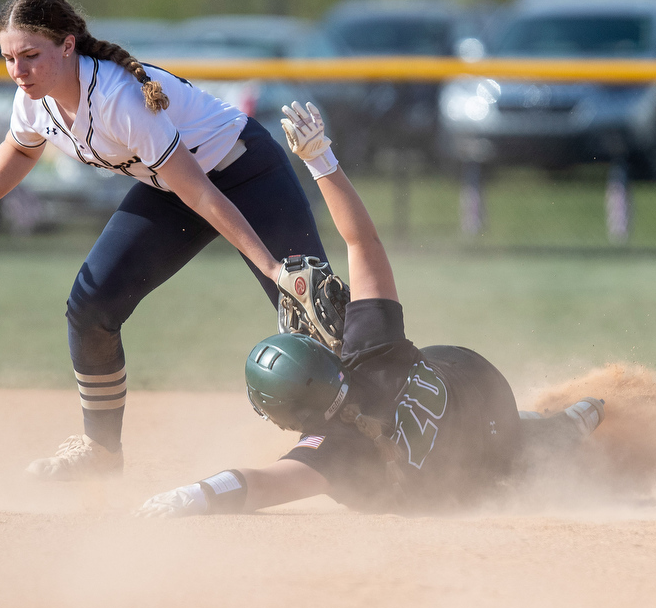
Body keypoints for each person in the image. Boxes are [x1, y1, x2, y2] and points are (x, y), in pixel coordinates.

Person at [137, 103, 605, 517]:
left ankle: (563, 425)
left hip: (479, 455)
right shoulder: (370, 348)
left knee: (516, 466)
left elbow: (260, 485)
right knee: (510, 436)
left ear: (287, 417)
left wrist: (197, 495)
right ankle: (571, 418)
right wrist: (322, 160)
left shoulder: (330, 453)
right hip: (473, 377)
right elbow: (363, 242)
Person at [0, 0, 331, 480]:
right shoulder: (34, 100)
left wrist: (274, 269)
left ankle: (364, 429)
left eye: (30, 56)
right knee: (91, 305)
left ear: (67, 46)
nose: (19, 71)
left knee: (311, 307)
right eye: (9, 59)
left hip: (246, 173)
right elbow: (21, 149)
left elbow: (205, 196)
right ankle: (100, 451)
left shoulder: (116, 98)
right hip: (170, 185)